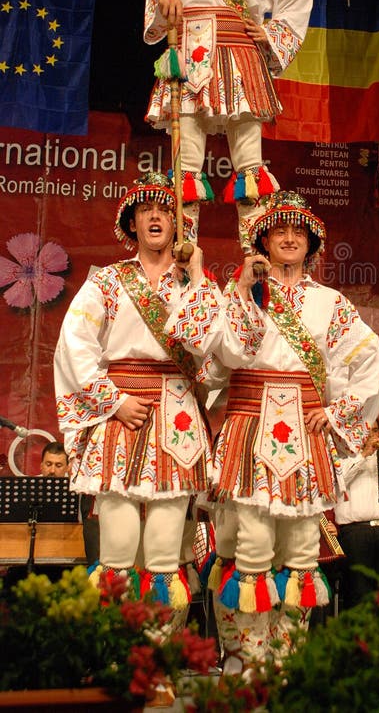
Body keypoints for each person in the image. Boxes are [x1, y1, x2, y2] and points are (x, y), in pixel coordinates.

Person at [172, 190, 379, 672]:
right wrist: (245, 294)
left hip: (304, 434)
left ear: (310, 244)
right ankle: (244, 666)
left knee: (300, 551)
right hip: (249, 424)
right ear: (262, 241)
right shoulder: (238, 292)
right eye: (279, 231)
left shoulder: (330, 303)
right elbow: (222, 357)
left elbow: (371, 358)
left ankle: (285, 668)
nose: (290, 238)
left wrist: (337, 414)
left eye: (299, 232)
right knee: (246, 546)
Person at [53, 172, 256, 611]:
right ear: (132, 223)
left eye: (165, 210)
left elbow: (220, 351)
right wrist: (113, 401)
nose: (156, 217)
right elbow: (75, 345)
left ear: (179, 223)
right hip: (120, 412)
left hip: (177, 414)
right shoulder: (107, 282)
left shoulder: (194, 285)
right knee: (118, 551)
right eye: (146, 210)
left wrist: (200, 274)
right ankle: (117, 665)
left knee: (166, 552)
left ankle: (159, 663)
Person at [144, 0, 313, 252]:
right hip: (190, 48)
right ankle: (180, 254)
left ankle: (255, 255)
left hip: (240, 50)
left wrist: (271, 34)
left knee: (249, 159)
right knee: (185, 158)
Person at [333, 419, 379, 610]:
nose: (372, 436)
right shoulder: (341, 456)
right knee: (358, 595)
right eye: (366, 431)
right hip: (356, 534)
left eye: (375, 431)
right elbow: (338, 483)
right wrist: (363, 455)